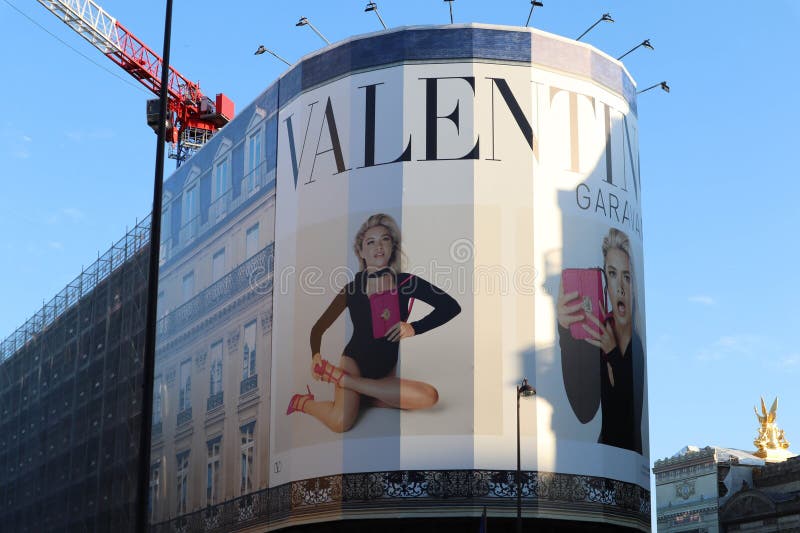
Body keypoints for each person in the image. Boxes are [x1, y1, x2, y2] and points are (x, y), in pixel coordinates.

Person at [286, 213, 461, 432]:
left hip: (383, 373)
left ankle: (353, 387)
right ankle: (303, 402)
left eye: (385, 239)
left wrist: (414, 328)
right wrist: (315, 356)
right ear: (360, 252)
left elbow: (451, 306)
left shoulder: (407, 283)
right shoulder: (352, 289)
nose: (378, 246)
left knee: (430, 396)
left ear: (392, 247)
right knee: (341, 423)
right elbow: (318, 329)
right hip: (353, 365)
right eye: (370, 242)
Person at [557, 228, 644, 453]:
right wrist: (566, 333)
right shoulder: (602, 332)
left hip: (626, 465)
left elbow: (628, 419)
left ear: (634, 285)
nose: (620, 288)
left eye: (626, 277)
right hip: (601, 460)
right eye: (612, 274)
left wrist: (613, 354)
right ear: (605, 282)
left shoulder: (635, 344)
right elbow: (584, 411)